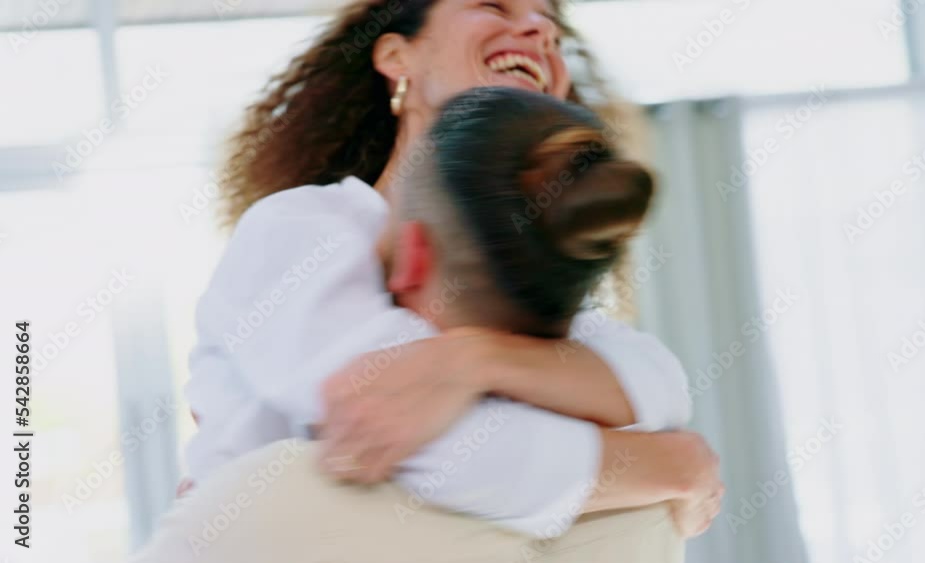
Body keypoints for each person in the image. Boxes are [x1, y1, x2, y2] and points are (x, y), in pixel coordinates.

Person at [184, 0, 723, 540]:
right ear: (398, 58)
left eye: (549, 26)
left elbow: (660, 383)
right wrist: (678, 465)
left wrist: (475, 359)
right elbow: (414, 439)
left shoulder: (521, 265)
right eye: (492, 5)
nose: (539, 28)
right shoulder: (296, 229)